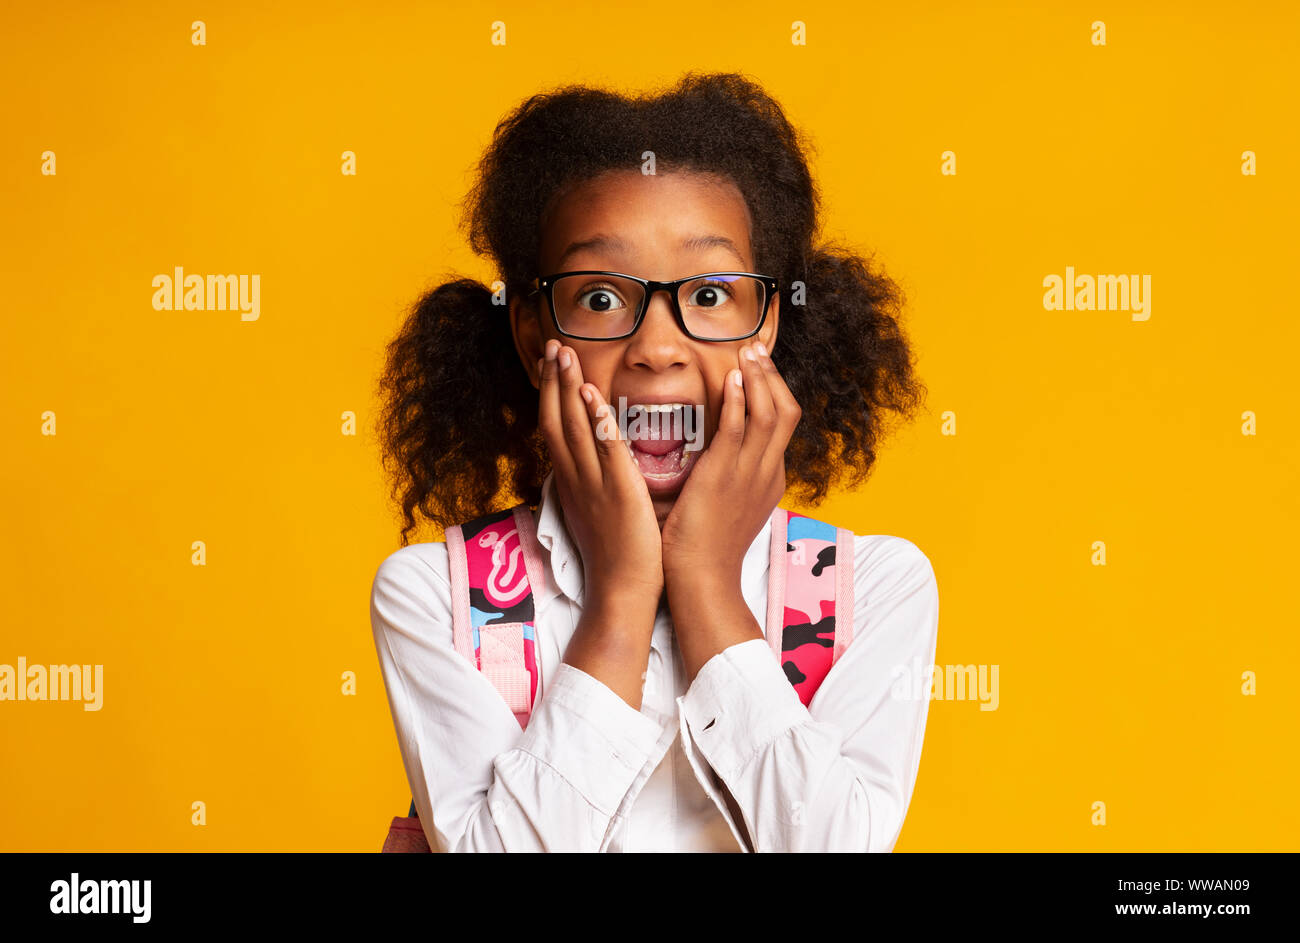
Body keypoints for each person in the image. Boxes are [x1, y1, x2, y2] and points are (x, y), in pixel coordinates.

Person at [369, 71, 939, 852]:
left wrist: (705, 579)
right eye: (600, 298)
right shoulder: (440, 597)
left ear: (765, 326)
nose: (658, 347)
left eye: (709, 296)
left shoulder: (871, 589)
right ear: (536, 336)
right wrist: (623, 592)